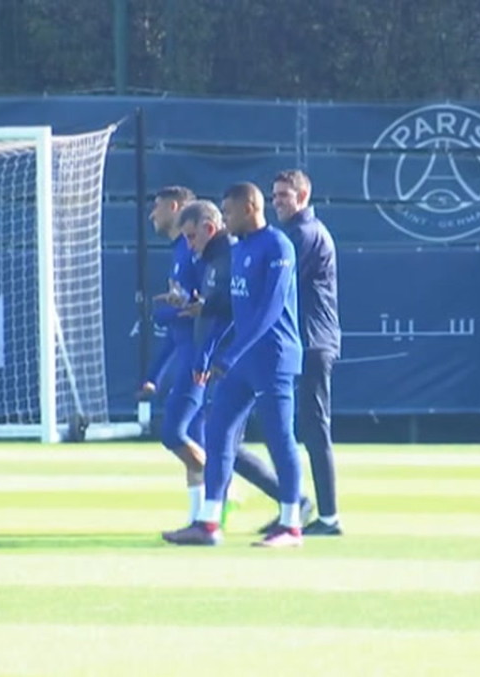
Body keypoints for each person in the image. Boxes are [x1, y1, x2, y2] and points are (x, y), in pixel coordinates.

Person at [163, 183, 305, 548]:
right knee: (217, 432)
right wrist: (211, 352)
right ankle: (208, 522)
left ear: (249, 207)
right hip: (242, 360)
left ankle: (291, 525)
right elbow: (231, 310)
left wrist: (230, 354)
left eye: (228, 212)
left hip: (273, 356)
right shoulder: (239, 250)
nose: (225, 220)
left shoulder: (278, 246)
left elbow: (269, 310)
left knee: (279, 436)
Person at [272, 169, 342, 536]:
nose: (277, 202)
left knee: (314, 429)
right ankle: (293, 505)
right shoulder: (292, 233)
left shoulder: (305, 234)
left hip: (312, 343)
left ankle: (329, 517)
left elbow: (276, 284)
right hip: (298, 342)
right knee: (285, 425)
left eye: (284, 195)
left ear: (303, 197)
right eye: (274, 196)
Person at [136, 185, 208, 525]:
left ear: (176, 207)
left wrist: (165, 311)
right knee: (196, 438)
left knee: (175, 435)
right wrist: (154, 375)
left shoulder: (193, 253)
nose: (153, 213)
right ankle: (202, 518)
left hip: (199, 359)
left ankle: (220, 491)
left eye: (158, 206)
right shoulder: (180, 252)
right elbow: (178, 325)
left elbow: (198, 309)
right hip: (188, 355)